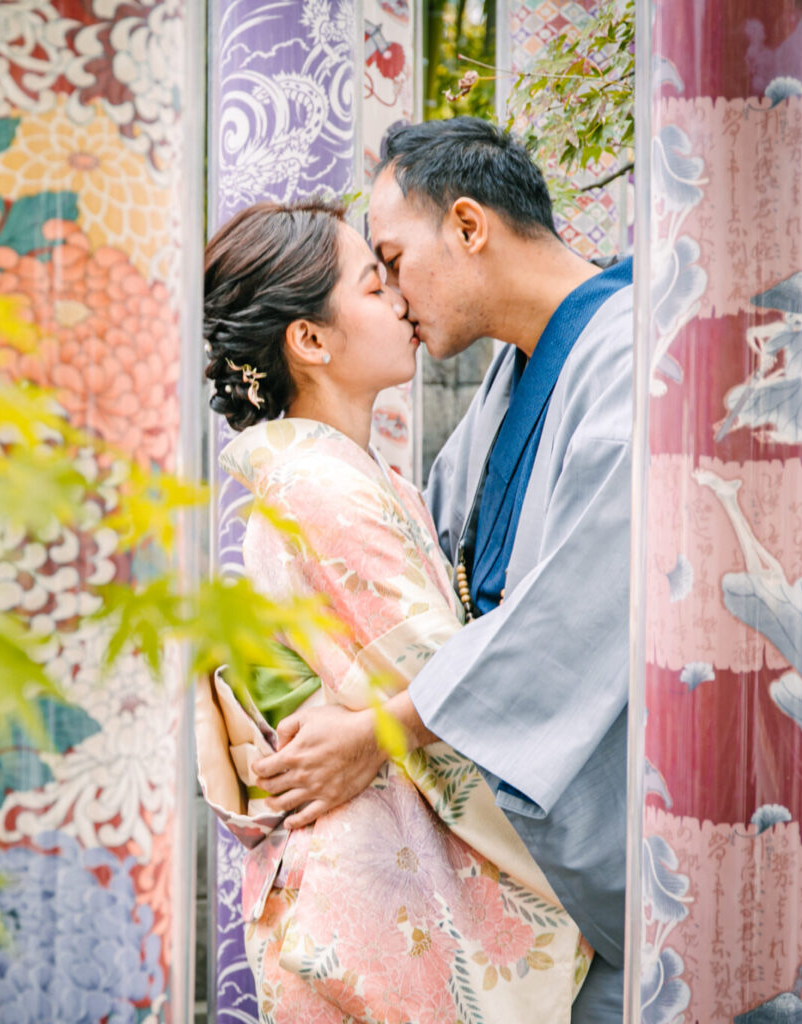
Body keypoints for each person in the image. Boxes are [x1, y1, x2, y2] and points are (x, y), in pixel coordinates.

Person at [244, 118, 635, 1023]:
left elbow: (579, 607)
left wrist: (388, 725)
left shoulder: (626, 353)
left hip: (606, 826)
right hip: (527, 839)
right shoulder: (515, 375)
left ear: (467, 226)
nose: (391, 290)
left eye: (391, 257)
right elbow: (435, 569)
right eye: (368, 275)